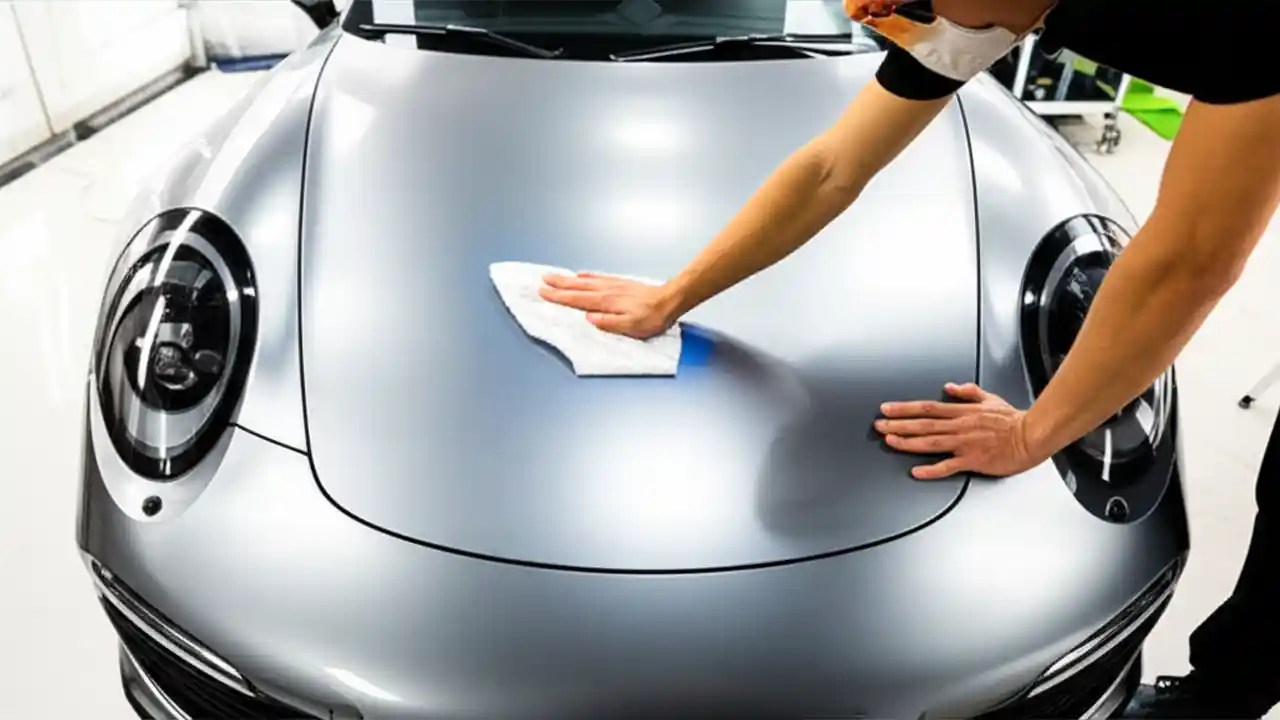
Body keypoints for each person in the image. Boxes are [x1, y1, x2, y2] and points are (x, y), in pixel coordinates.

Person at [538, 0, 1280, 715]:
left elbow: (1189, 258)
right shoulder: (962, 12)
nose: (870, 12)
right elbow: (833, 166)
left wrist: (1034, 432)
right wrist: (672, 297)